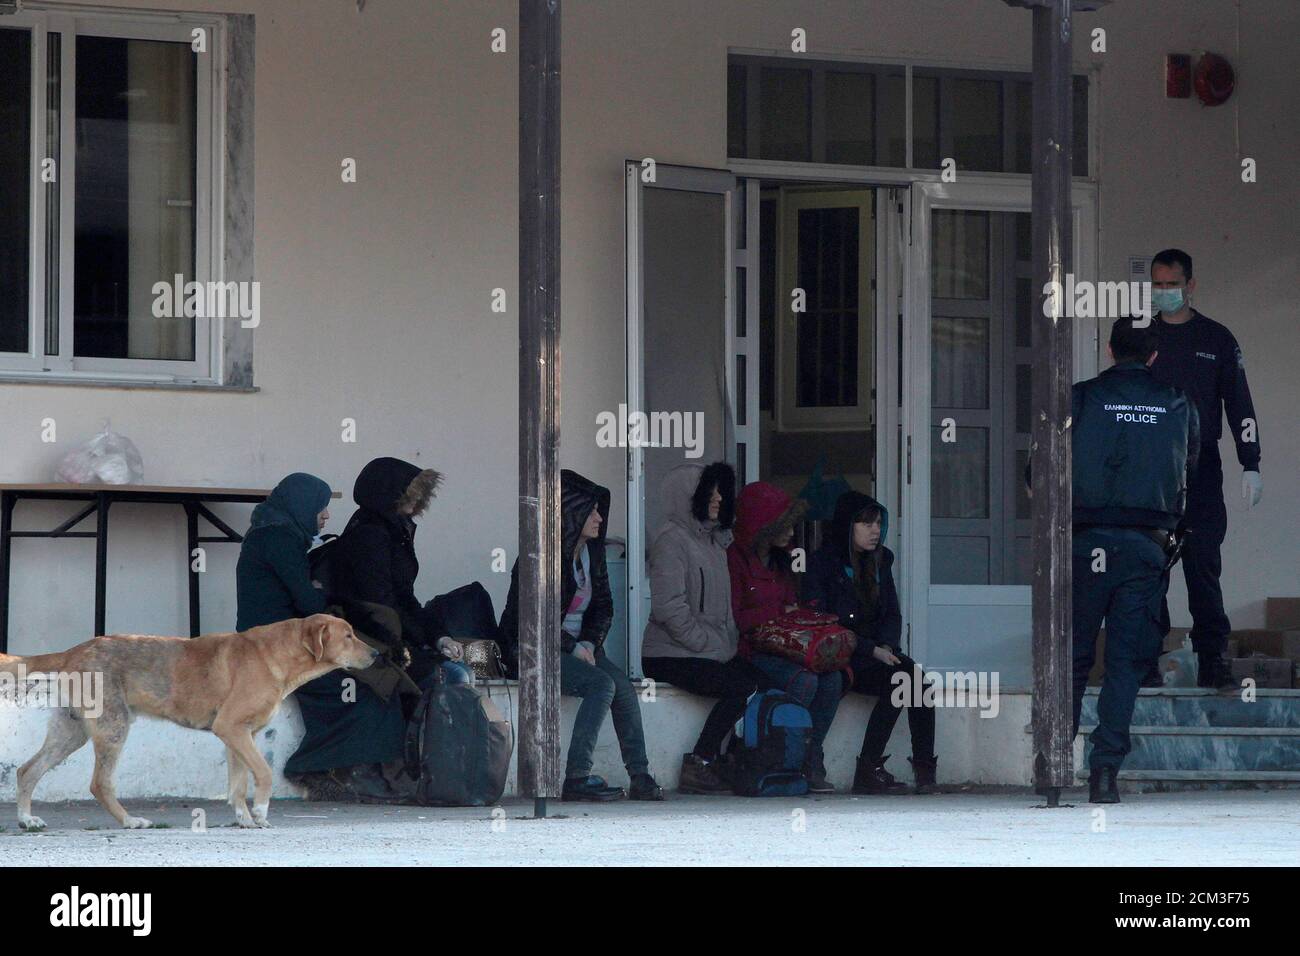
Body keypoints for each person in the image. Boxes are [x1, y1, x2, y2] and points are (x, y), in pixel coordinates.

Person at [285, 456, 472, 803]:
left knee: (453, 673)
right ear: (392, 494)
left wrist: (437, 637)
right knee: (438, 678)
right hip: (369, 637)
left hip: (383, 633)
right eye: (412, 493)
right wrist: (411, 645)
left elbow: (401, 599)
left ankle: (423, 773)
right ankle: (416, 772)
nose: (417, 503)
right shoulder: (372, 535)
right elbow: (378, 605)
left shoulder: (392, 530)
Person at [1070, 317, 1198, 803]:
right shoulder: (1178, 402)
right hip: (1146, 545)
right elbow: (1193, 470)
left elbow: (1039, 470)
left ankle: (1057, 763)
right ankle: (1104, 775)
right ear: (1153, 356)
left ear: (1108, 350)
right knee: (1124, 663)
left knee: (1075, 658)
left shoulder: (1080, 398)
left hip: (1086, 543)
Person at [499, 469, 663, 802]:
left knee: (624, 690)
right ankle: (576, 777)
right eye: (591, 510)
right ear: (570, 511)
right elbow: (532, 618)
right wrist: (572, 646)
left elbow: (604, 607)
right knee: (601, 684)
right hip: (534, 648)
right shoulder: (537, 557)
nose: (600, 517)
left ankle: (641, 776)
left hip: (580, 648)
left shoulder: (592, 554)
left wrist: (588, 642)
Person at [1148, 248, 1260, 689]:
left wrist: (1251, 463)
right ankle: (1145, 659)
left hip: (1202, 463)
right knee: (1149, 564)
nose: (1164, 292)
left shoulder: (1216, 339)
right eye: (1156, 285)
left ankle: (1213, 658)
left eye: (1171, 284)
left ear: (1190, 285)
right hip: (1151, 467)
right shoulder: (1142, 335)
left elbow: (1240, 403)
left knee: (1203, 563)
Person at [642, 461, 767, 794]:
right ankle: (700, 761)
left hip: (707, 648)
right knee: (740, 686)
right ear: (687, 497)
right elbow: (669, 607)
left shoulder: (715, 542)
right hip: (669, 652)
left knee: (762, 680)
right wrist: (704, 644)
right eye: (707, 492)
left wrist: (720, 644)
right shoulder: (671, 541)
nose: (717, 499)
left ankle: (730, 758)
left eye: (720, 491)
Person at [802, 490, 938, 795]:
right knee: (899, 682)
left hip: (878, 652)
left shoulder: (880, 562)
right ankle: (868, 768)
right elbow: (825, 622)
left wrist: (887, 646)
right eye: (866, 523)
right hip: (842, 655)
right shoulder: (824, 563)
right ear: (848, 525)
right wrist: (870, 649)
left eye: (878, 523)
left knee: (918, 683)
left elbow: (891, 612)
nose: (875, 530)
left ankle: (924, 769)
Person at [727, 481, 840, 793]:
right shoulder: (734, 559)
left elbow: (792, 605)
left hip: (786, 647)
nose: (791, 533)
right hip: (752, 649)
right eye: (783, 525)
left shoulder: (783, 561)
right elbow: (735, 615)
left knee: (832, 679)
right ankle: (776, 749)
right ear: (764, 526)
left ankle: (808, 753)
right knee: (805, 681)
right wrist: (776, 614)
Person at [236, 472, 332, 634]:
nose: (326, 515)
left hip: (257, 641)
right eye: (320, 507)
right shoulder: (281, 538)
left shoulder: (268, 531)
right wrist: (319, 590)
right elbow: (311, 605)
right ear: (302, 504)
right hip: (270, 646)